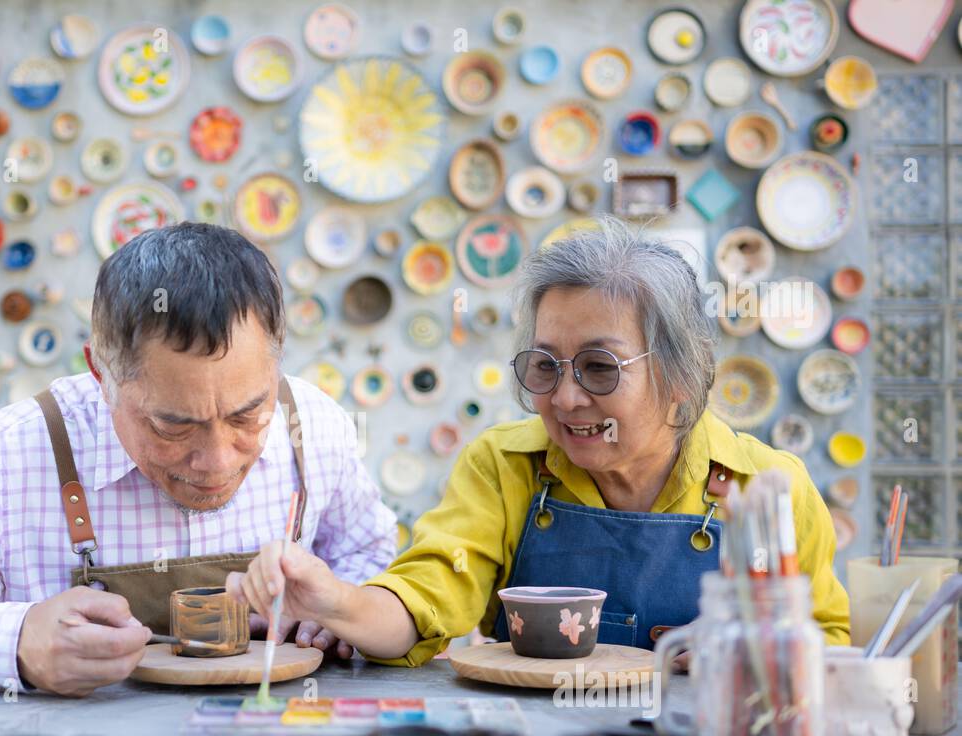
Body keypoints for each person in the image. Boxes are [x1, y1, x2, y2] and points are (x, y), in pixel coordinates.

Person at [0, 223, 397, 695]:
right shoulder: (11, 459)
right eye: (172, 424)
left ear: (276, 363)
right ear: (100, 373)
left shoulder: (310, 426)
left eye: (245, 415)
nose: (214, 461)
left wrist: (342, 605)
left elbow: (380, 561)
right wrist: (14, 642)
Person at [228, 217, 851, 665]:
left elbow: (823, 647)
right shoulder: (506, 466)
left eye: (600, 367)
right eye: (545, 366)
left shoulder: (768, 489)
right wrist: (335, 601)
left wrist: (749, 654)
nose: (567, 398)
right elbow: (423, 602)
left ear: (680, 376)